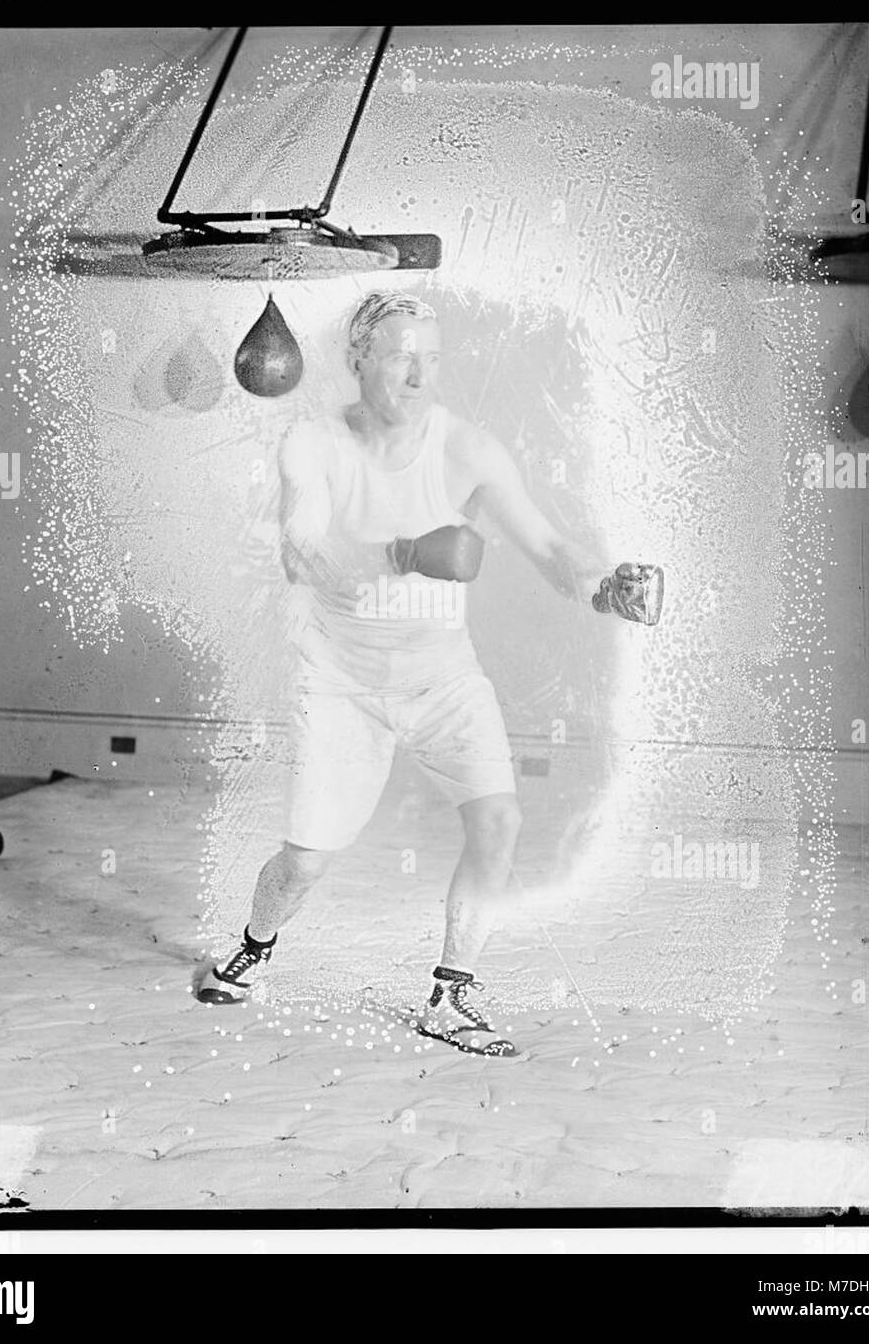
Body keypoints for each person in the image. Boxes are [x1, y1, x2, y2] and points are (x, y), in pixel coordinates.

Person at [197, 291, 662, 1056]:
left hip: (443, 681)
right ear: (358, 361)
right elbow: (300, 553)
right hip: (341, 683)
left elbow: (548, 547)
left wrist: (602, 586)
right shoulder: (312, 443)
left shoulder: (468, 451)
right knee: (307, 861)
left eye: (433, 357)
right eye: (401, 356)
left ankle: (450, 995)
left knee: (498, 822)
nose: (421, 375)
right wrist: (405, 552)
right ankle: (257, 939)